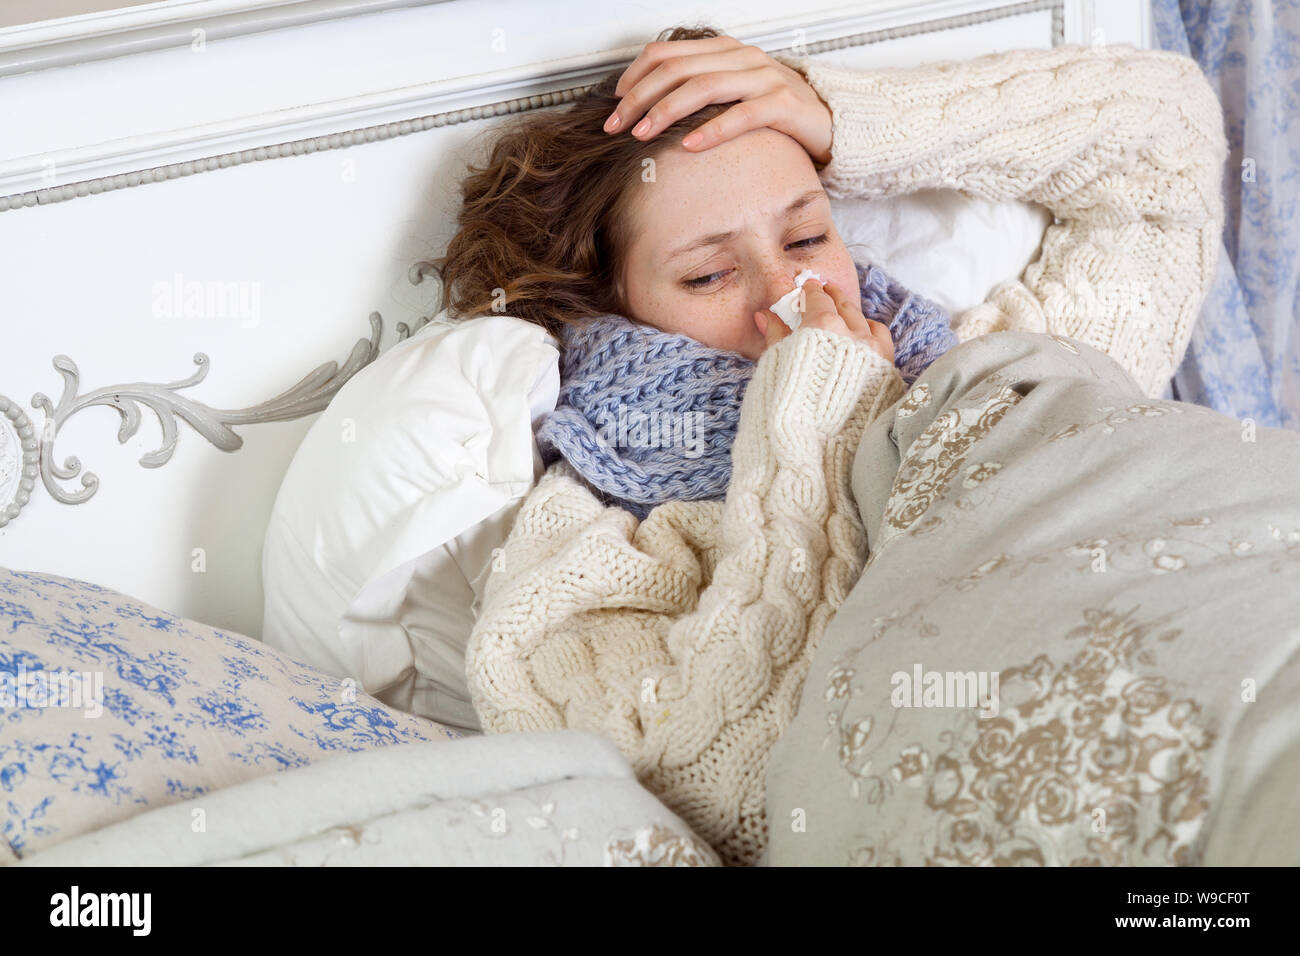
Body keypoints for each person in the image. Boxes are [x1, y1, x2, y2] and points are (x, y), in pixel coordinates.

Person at [434, 26, 1228, 866]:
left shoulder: (979, 365)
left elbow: (1167, 139)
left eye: (808, 239)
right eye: (709, 275)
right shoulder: (590, 551)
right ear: (609, 308)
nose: (789, 293)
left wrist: (839, 116)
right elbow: (729, 788)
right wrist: (818, 414)